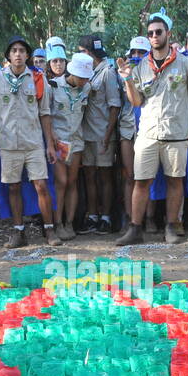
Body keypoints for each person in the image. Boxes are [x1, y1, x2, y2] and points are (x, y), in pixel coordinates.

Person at [115, 10, 188, 246]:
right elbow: (136, 102)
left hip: (176, 133)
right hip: (148, 133)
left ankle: (172, 227)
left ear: (168, 34)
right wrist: (127, 79)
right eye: (151, 33)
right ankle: (135, 228)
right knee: (140, 181)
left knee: (175, 181)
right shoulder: (141, 66)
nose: (154, 36)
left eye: (159, 32)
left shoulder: (185, 64)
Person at [0, 35, 62, 248]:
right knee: (13, 188)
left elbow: (45, 113)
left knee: (41, 186)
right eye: (14, 51)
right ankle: (18, 231)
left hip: (34, 143)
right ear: (8, 56)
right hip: (8, 144)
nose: (18, 54)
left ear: (28, 55)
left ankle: (49, 230)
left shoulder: (38, 79)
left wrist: (49, 144)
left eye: (22, 50)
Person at [77, 33, 121, 235]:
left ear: (90, 53)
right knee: (89, 176)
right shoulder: (86, 72)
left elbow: (114, 106)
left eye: (82, 52)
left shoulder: (107, 73)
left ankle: (106, 217)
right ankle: (92, 215)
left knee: (104, 176)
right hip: (86, 134)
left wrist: (108, 134)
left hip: (103, 133)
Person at [48, 52, 92, 240]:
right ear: (72, 73)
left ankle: (69, 223)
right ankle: (57, 223)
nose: (83, 81)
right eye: (80, 77)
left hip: (76, 142)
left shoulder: (87, 88)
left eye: (86, 78)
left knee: (72, 182)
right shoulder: (54, 86)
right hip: (59, 141)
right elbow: (46, 115)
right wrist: (51, 138)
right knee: (61, 182)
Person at [117, 35, 149, 226]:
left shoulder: (154, 72)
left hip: (148, 127)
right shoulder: (120, 73)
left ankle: (149, 218)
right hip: (127, 128)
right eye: (134, 52)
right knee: (129, 175)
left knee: (146, 176)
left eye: (141, 52)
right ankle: (130, 218)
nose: (137, 56)